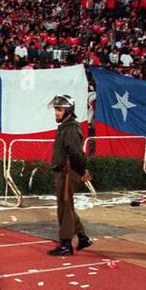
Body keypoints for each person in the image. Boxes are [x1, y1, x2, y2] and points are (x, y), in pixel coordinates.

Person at [48, 94, 92, 256]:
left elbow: (75, 153)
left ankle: (66, 244)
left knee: (64, 207)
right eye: (56, 110)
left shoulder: (71, 128)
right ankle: (82, 237)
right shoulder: (66, 127)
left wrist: (82, 171)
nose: (56, 113)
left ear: (67, 111)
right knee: (67, 207)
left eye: (59, 110)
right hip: (63, 171)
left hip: (67, 172)